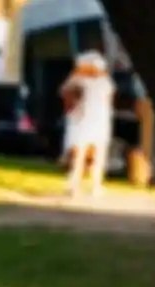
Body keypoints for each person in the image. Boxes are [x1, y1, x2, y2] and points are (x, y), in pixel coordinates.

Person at [60, 50, 115, 198]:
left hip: (86, 119)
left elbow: (65, 94)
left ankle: (78, 184)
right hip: (92, 119)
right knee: (93, 153)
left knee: (82, 152)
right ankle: (90, 185)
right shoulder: (103, 82)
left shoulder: (78, 80)